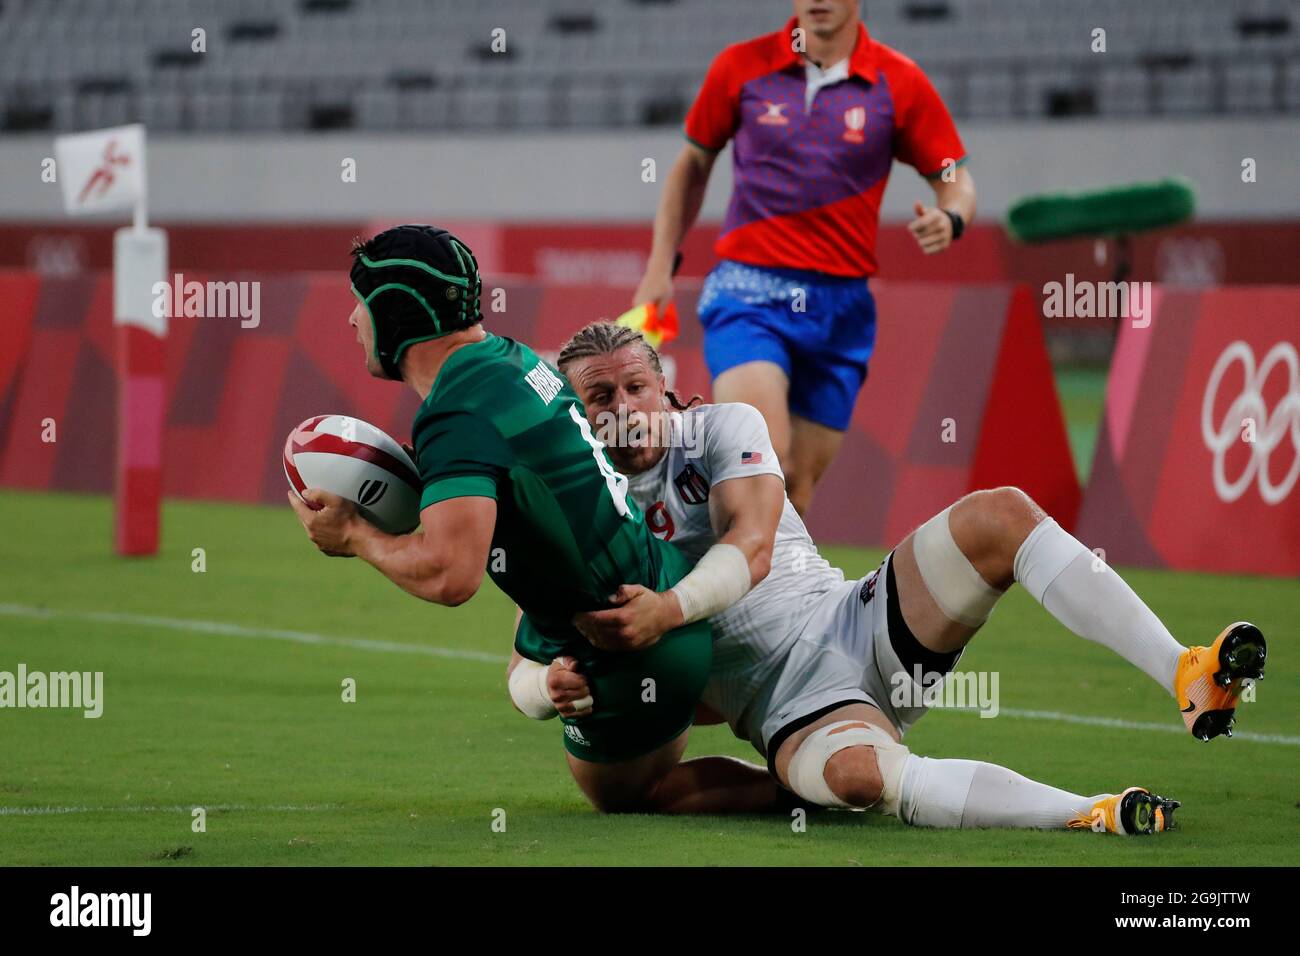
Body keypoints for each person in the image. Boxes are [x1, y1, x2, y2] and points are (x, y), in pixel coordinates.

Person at [517, 321, 1267, 834]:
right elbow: (525, 657)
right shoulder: (574, 514)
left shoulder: (722, 428)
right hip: (787, 703)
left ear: (666, 389)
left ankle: (1187, 672)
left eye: (636, 388)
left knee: (999, 516)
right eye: (602, 398)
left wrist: (667, 610)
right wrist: (543, 691)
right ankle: (1092, 811)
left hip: (858, 620)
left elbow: (750, 550)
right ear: (578, 420)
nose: (625, 408)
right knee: (857, 782)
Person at [286, 225, 782, 814]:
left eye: (361, 305)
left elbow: (451, 577)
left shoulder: (457, 411)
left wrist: (356, 536)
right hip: (655, 579)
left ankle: (805, 786)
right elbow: (517, 476)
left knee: (624, 797)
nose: (351, 321)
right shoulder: (509, 358)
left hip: (626, 641)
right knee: (541, 684)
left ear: (396, 315)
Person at [633, 0, 977, 516]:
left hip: (841, 310)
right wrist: (660, 268)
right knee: (759, 461)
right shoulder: (739, 66)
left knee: (795, 488)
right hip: (748, 294)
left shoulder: (899, 81)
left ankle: (767, 593)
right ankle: (699, 583)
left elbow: (955, 178)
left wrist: (951, 217)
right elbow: (692, 166)